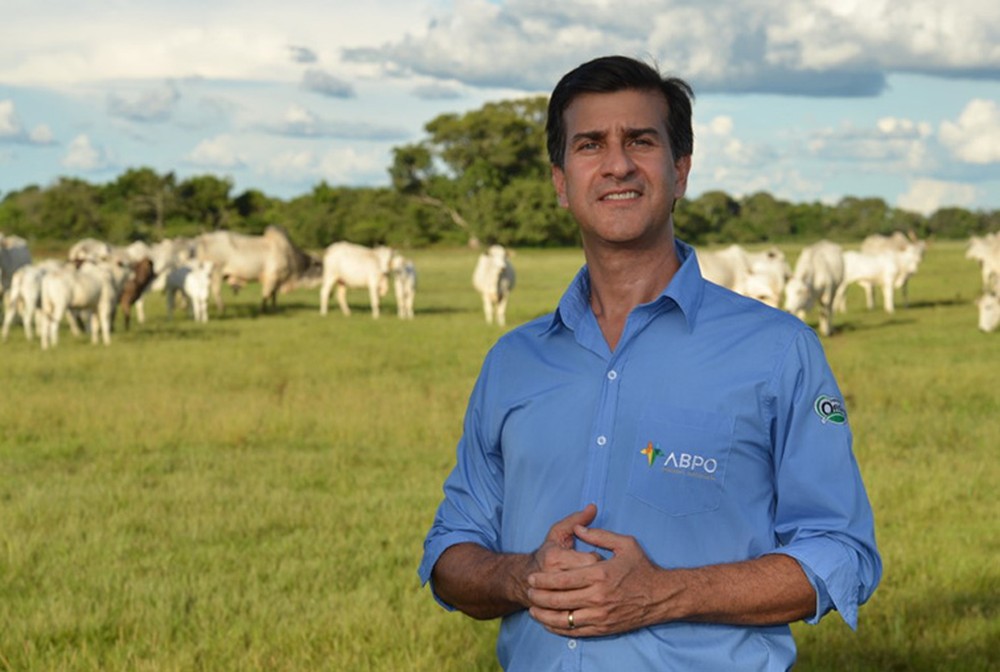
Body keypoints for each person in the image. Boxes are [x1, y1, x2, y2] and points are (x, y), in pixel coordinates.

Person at [418, 55, 881, 670]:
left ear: (680, 170)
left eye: (640, 140)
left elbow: (843, 553)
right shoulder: (513, 362)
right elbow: (451, 551)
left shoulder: (778, 350)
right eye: (590, 145)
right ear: (560, 181)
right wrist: (520, 575)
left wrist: (663, 594)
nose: (617, 164)